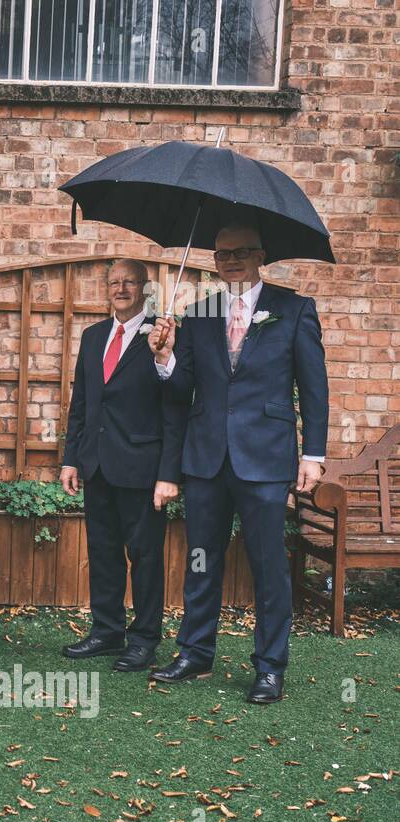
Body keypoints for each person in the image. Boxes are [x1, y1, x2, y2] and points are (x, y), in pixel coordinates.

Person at [148, 220, 329, 704]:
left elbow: (314, 387)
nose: (231, 260)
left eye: (242, 252)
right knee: (201, 560)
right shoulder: (199, 313)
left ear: (260, 255)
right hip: (206, 458)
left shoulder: (293, 309)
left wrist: (313, 454)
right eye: (223, 253)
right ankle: (195, 652)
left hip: (266, 459)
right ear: (214, 259)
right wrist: (165, 357)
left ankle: (270, 667)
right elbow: (181, 387)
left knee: (268, 566)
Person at [59, 259, 186, 673]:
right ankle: (107, 630)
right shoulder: (94, 336)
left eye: (129, 281)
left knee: (145, 555)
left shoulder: (161, 336)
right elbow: (82, 403)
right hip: (97, 465)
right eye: (113, 282)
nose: (120, 288)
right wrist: (71, 458)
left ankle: (145, 638)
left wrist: (169, 474)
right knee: (103, 552)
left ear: (145, 288)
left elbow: (175, 409)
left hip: (143, 468)